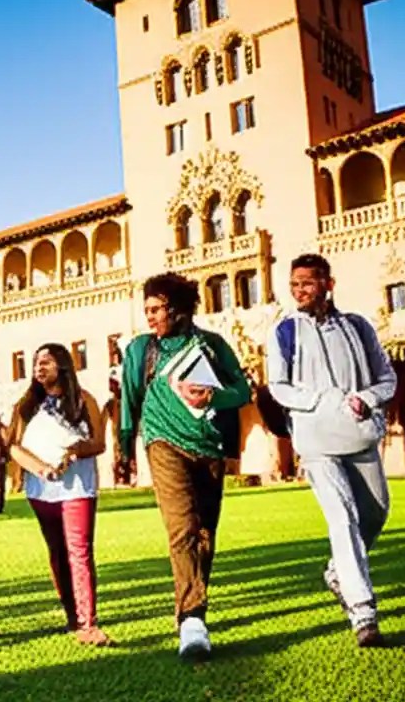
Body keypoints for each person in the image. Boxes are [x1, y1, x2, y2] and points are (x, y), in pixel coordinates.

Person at [265, 253, 397, 648]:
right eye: (294, 284)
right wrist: (323, 401)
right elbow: (278, 386)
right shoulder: (285, 331)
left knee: (375, 513)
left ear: (328, 284)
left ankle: (339, 572)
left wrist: (365, 399)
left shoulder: (358, 327)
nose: (299, 291)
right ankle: (362, 610)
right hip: (316, 440)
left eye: (307, 283)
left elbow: (387, 377)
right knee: (342, 518)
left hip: (359, 435)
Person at [118, 273, 251, 660]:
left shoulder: (212, 345)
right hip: (163, 443)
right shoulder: (142, 349)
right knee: (182, 528)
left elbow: (242, 391)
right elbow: (129, 399)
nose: (150, 317)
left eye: (156, 309)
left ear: (177, 309)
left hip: (208, 446)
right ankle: (192, 619)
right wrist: (125, 447)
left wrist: (213, 396)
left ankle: (194, 608)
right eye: (146, 309)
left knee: (205, 532)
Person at [7, 343, 111, 646]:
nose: (39, 368)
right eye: (36, 363)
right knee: (57, 552)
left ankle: (88, 622)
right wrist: (40, 468)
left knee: (80, 551)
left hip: (77, 486)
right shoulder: (26, 405)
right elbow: (13, 446)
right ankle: (72, 616)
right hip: (41, 489)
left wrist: (75, 451)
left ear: (63, 365)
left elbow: (99, 442)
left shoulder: (82, 400)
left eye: (46, 362)